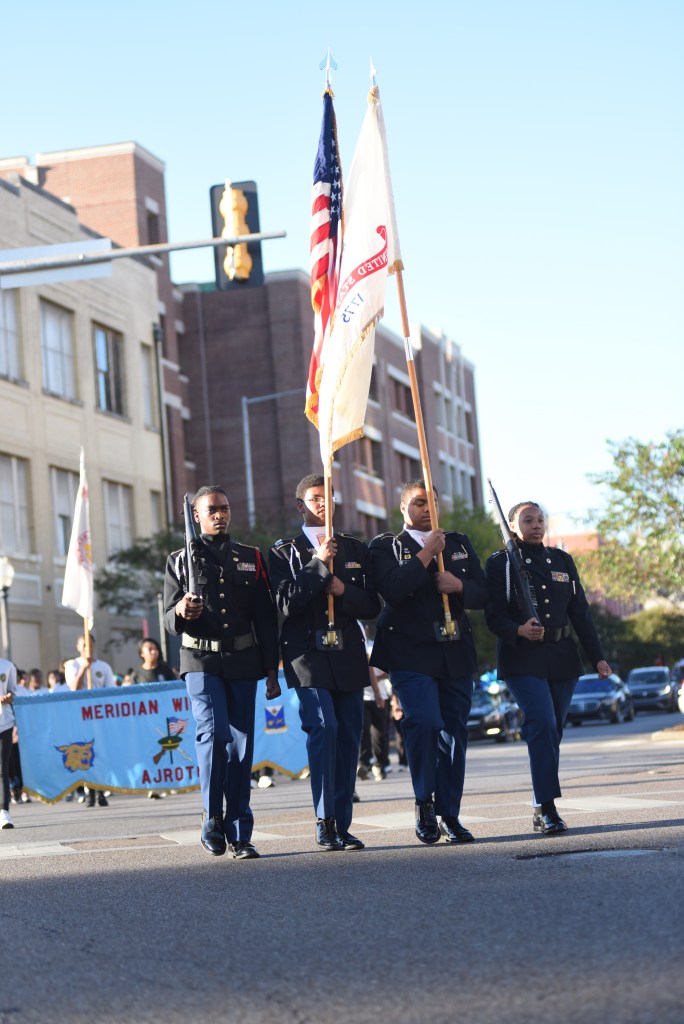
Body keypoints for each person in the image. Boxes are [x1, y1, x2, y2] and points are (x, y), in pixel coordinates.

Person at [164, 485, 280, 860]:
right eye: (212, 509)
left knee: (241, 746)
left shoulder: (251, 557)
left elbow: (265, 617)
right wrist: (183, 611)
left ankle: (240, 831)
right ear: (195, 516)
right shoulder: (180, 560)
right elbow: (166, 619)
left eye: (225, 508)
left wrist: (272, 670)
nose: (220, 514)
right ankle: (212, 818)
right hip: (201, 662)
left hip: (244, 661)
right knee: (213, 734)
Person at [369, 479, 487, 846]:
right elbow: (391, 589)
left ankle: (449, 813)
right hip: (409, 652)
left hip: (454, 650)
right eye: (419, 502)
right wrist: (425, 554)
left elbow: (485, 593)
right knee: (424, 722)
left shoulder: (460, 542)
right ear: (402, 507)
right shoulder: (387, 545)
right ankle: (424, 802)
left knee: (455, 732)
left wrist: (460, 587)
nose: (427, 508)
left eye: (432, 502)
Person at [484, 500, 612, 835]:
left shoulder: (561, 560)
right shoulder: (502, 563)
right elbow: (493, 616)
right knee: (541, 721)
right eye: (528, 519)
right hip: (522, 657)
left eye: (540, 519)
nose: (536, 524)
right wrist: (518, 630)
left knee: (551, 731)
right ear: (513, 526)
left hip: (562, 657)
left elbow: (580, 612)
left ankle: (541, 803)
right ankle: (549, 808)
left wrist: (597, 656)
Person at [269, 474, 380, 851]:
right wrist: (318, 566)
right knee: (324, 727)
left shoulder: (354, 547)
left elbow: (371, 605)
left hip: (347, 652)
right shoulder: (284, 551)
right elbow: (285, 603)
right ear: (301, 505)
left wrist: (343, 590)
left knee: (349, 736)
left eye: (327, 497)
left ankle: (342, 823)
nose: (322, 504)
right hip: (307, 656)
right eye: (314, 499)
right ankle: (323, 818)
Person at [64, 635, 115, 807]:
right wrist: (84, 668)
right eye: (84, 645)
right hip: (80, 716)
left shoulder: (103, 667)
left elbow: (111, 692)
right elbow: (73, 689)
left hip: (99, 716)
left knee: (100, 753)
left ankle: (101, 790)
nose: (88, 648)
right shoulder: (72, 665)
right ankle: (89, 791)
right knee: (85, 753)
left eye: (91, 645)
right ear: (78, 646)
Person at [0, 657, 18, 828]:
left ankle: (4, 811)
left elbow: (14, 691)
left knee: (2, 769)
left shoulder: (7, 666)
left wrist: (9, 697)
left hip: (4, 722)